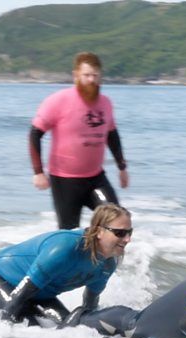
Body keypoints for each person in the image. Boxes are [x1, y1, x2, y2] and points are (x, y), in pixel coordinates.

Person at [0, 204, 139, 337]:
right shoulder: (63, 249)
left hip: (42, 294)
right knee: (31, 333)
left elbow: (89, 308)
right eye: (120, 233)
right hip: (1, 279)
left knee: (68, 330)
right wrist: (3, 336)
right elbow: (19, 297)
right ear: (99, 231)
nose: (127, 239)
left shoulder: (107, 264)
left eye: (129, 232)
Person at [30, 51, 130, 230]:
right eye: (86, 75)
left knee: (115, 219)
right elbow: (35, 133)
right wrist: (38, 172)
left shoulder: (105, 103)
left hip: (95, 178)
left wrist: (122, 168)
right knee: (68, 231)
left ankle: (103, 256)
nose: (91, 80)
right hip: (65, 180)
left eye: (95, 75)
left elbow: (111, 135)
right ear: (75, 75)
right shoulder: (58, 101)